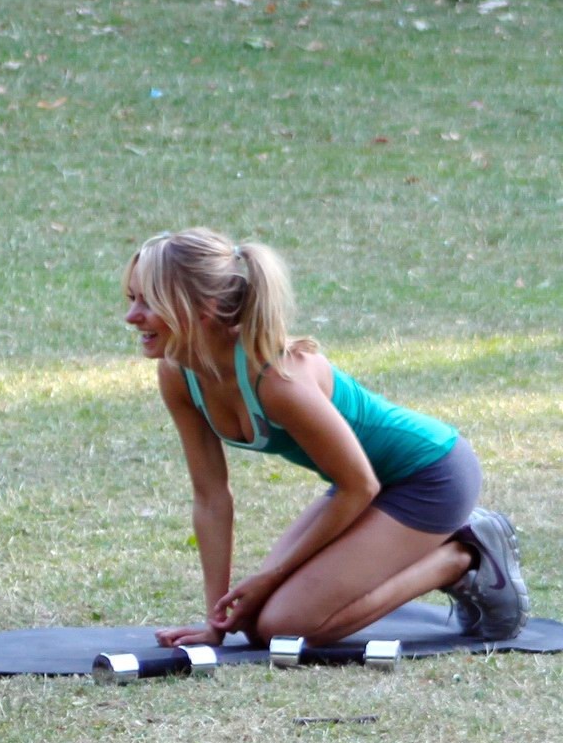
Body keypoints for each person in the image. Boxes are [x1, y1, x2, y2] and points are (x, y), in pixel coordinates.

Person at [122, 228, 528, 649]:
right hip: (361, 483)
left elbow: (360, 485)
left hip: (431, 477)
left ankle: (462, 559)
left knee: (286, 626)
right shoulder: (178, 373)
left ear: (202, 308)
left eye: (149, 302)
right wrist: (215, 622)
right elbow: (211, 498)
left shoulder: (277, 380)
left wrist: (271, 578)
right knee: (251, 620)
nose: (132, 316)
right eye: (132, 298)